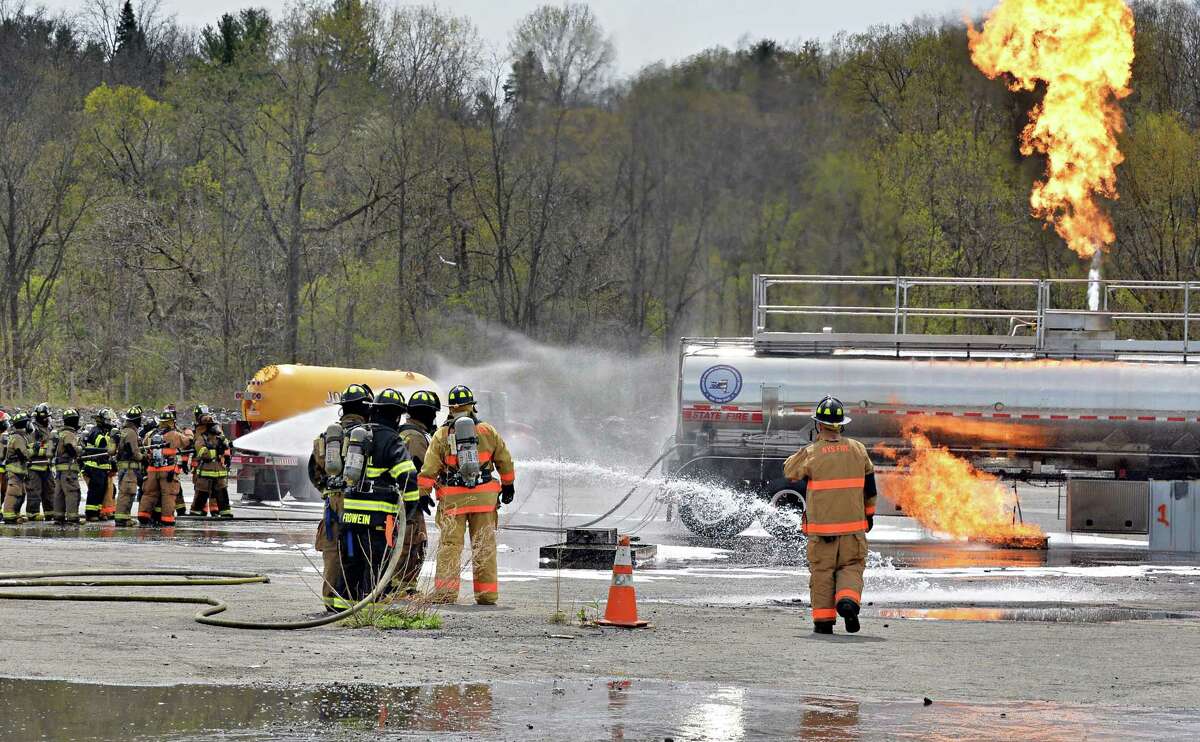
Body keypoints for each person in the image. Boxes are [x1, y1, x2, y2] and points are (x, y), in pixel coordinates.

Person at [783, 396, 877, 635]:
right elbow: (870, 486)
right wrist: (869, 515)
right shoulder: (858, 449)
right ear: (841, 425)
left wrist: (808, 449)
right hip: (853, 531)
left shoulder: (812, 453)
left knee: (822, 574)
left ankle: (823, 622)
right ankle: (848, 601)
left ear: (818, 424)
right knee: (851, 567)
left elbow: (789, 471)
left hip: (822, 532)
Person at [419, 385, 516, 606]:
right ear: (472, 406)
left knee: (450, 547)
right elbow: (504, 460)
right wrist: (508, 485)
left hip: (453, 501)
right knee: (484, 546)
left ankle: (445, 594)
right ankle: (487, 595)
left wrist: (423, 493)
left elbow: (429, 468)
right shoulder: (487, 431)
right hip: (484, 500)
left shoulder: (442, 434)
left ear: (451, 408)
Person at [334, 388, 419, 609]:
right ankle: (372, 610)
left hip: (350, 516)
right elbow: (407, 475)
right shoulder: (392, 440)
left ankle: (341, 608)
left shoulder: (356, 435)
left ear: (374, 411)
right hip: (378, 520)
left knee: (350, 564)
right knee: (376, 565)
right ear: (397, 416)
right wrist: (411, 507)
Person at [308, 383, 373, 611]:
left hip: (332, 503)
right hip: (359, 502)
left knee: (332, 550)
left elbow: (314, 473)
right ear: (366, 409)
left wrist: (329, 493)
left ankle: (331, 601)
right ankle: (356, 600)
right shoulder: (368, 436)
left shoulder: (326, 437)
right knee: (359, 551)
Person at [391, 390, 440, 597]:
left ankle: (397, 584)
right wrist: (422, 495)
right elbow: (418, 471)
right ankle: (402, 586)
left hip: (396, 500)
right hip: (408, 502)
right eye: (433, 414)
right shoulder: (416, 438)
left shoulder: (403, 432)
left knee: (403, 540)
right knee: (413, 542)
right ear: (427, 414)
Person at [138, 406, 190, 527]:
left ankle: (143, 516)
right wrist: (189, 433)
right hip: (168, 471)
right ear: (171, 422)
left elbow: (143, 445)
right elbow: (187, 442)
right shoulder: (175, 435)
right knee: (168, 495)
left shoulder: (150, 434)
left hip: (151, 470)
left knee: (149, 494)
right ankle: (167, 519)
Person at [190, 405, 233, 518]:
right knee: (213, 492)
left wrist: (226, 455)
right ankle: (220, 512)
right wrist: (220, 453)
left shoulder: (209, 435)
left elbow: (225, 446)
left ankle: (219, 512)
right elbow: (204, 453)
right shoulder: (207, 436)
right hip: (214, 469)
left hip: (211, 470)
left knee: (210, 492)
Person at [81, 409, 118, 522]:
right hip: (94, 467)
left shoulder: (104, 431)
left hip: (101, 468)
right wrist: (112, 437)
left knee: (103, 491)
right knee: (95, 492)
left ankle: (100, 512)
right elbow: (102, 444)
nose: (111, 423)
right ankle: (91, 514)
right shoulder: (95, 431)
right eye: (109, 420)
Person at [114, 406, 146, 526]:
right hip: (129, 469)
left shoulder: (124, 431)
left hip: (124, 468)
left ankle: (123, 518)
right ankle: (122, 519)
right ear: (136, 420)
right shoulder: (131, 433)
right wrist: (144, 457)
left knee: (124, 492)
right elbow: (135, 453)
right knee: (127, 493)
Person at [52, 408, 84, 525]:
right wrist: (80, 449)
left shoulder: (60, 433)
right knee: (72, 492)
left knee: (59, 494)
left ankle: (58, 517)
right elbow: (71, 448)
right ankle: (73, 518)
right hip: (69, 471)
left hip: (60, 470)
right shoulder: (69, 434)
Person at [1, 412, 33, 524]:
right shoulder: (17, 438)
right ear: (25, 424)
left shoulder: (20, 437)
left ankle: (15, 514)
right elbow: (24, 455)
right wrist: (34, 450)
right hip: (15, 470)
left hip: (19, 471)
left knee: (21, 493)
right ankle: (9, 516)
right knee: (13, 492)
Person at [26, 403, 54, 521]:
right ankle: (33, 514)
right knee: (34, 491)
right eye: (46, 417)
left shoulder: (48, 428)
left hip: (46, 466)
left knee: (50, 490)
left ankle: (50, 512)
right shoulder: (33, 429)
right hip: (34, 467)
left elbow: (50, 446)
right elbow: (29, 450)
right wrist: (47, 450)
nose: (48, 419)